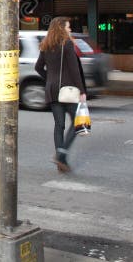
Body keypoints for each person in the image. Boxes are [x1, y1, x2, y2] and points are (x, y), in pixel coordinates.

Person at [34, 17, 87, 173]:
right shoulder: (67, 44)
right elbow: (74, 70)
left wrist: (49, 79)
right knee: (77, 123)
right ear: (61, 28)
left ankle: (60, 163)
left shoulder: (46, 45)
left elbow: (38, 67)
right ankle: (61, 154)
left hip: (52, 89)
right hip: (68, 89)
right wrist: (82, 90)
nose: (70, 30)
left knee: (59, 125)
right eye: (68, 27)